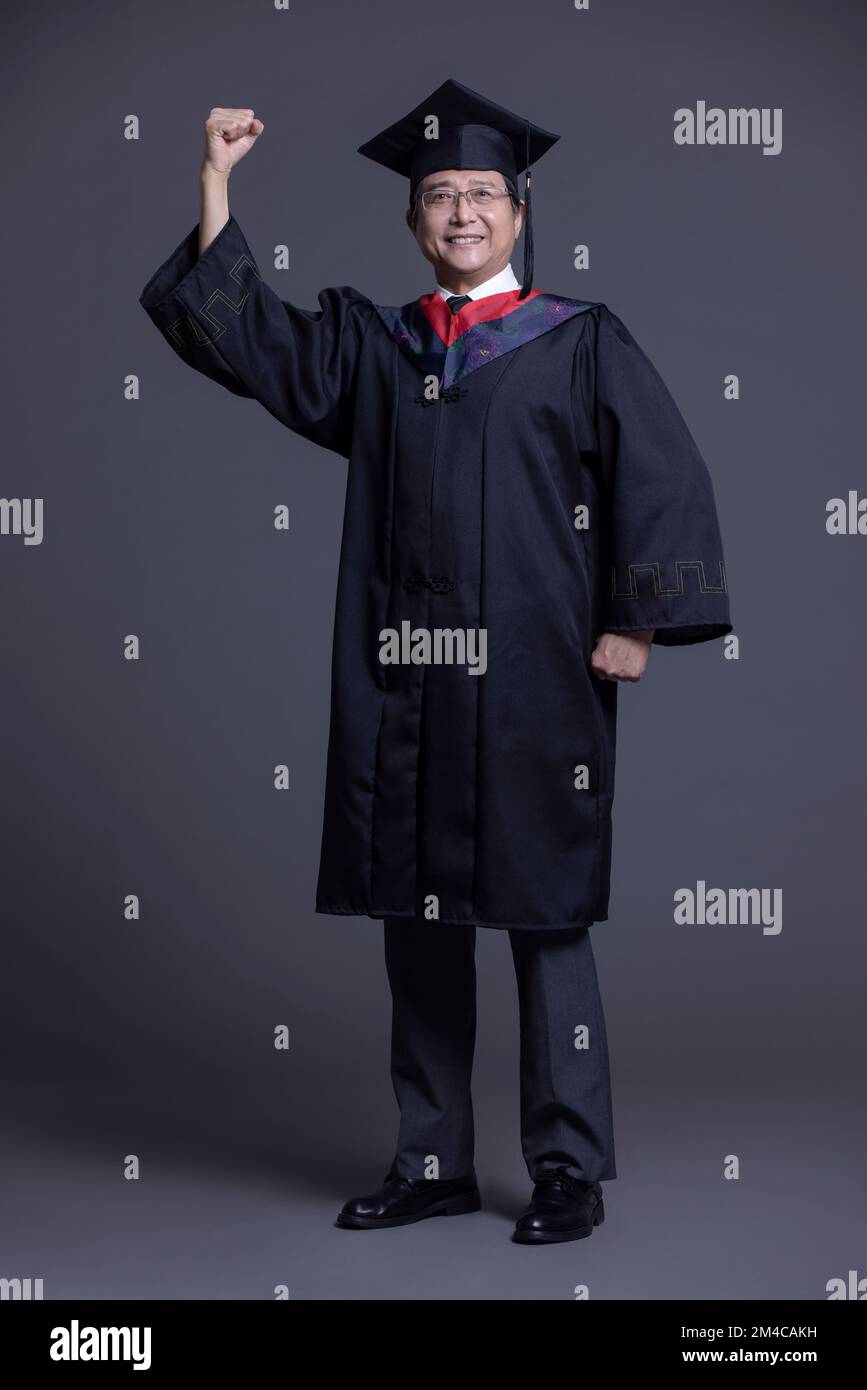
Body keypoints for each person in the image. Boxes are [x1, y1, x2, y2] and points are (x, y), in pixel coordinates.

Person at [139, 79, 732, 1244]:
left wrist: (639, 620)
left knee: (546, 915)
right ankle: (430, 1158)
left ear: (520, 211)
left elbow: (663, 473)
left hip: (535, 679)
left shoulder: (580, 339)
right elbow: (259, 346)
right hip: (406, 674)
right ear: (414, 219)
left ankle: (566, 1165)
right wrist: (214, 183)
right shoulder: (379, 345)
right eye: (441, 196)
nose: (463, 212)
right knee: (419, 920)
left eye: (483, 193)